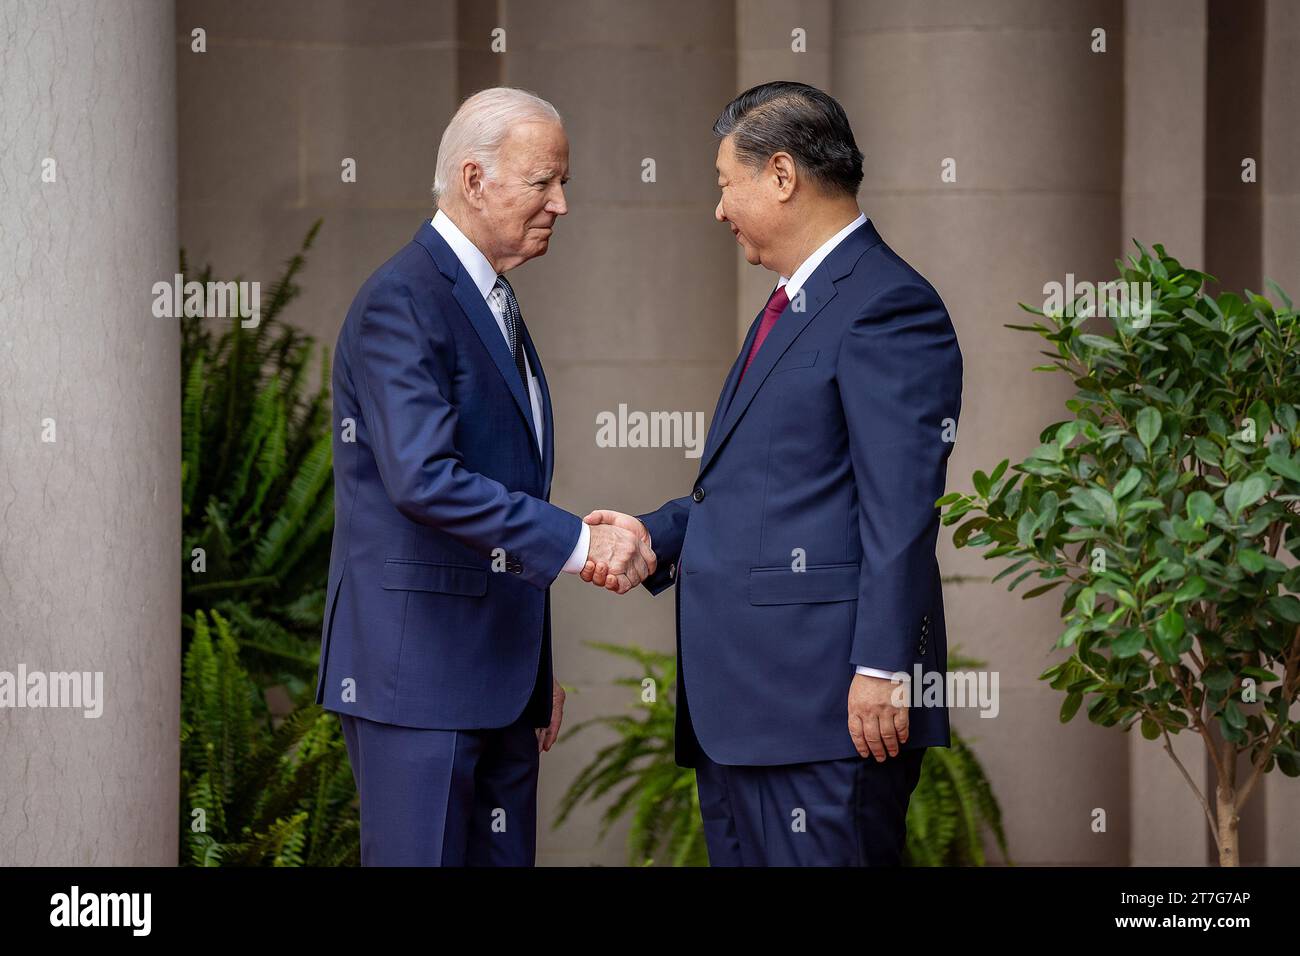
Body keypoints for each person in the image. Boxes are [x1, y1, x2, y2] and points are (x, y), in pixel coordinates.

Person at [582, 81, 964, 866]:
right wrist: (654, 534)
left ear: (781, 175)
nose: (719, 210)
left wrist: (883, 667)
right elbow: (760, 489)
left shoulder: (887, 305)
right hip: (746, 721)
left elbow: (900, 510)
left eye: (726, 185)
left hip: (827, 714)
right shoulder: (790, 305)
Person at [316, 87, 655, 866]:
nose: (561, 204)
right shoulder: (402, 300)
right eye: (544, 183)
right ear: (473, 180)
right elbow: (426, 480)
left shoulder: (490, 300)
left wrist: (531, 673)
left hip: (498, 685)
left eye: (561, 183)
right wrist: (581, 540)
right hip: (420, 684)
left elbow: (504, 489)